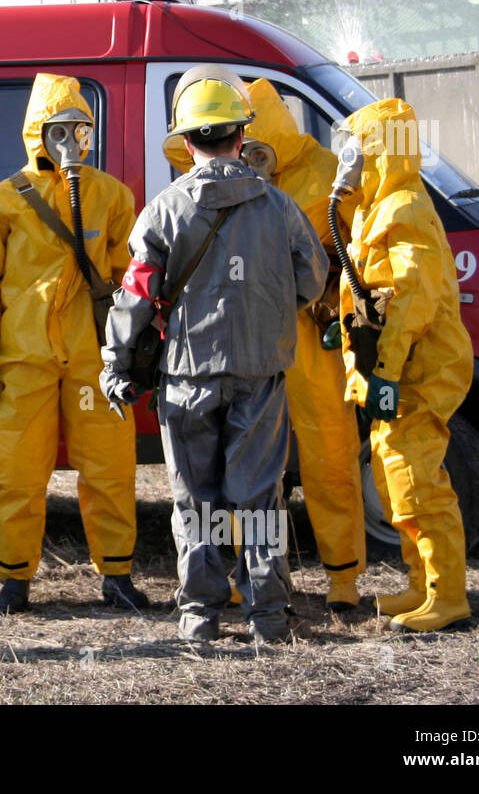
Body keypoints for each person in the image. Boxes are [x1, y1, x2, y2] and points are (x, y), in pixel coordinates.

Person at [101, 66, 327, 643]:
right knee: (258, 499)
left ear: (186, 139)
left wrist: (116, 362)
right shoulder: (279, 207)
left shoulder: (162, 210)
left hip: (186, 377)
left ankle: (200, 616)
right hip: (261, 373)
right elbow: (313, 279)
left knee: (194, 501)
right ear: (240, 135)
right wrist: (267, 309)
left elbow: (135, 294)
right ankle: (268, 617)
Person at [164, 76, 367, 611]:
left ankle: (341, 577)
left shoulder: (323, 175)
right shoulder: (256, 192)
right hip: (262, 345)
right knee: (247, 475)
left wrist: (330, 300)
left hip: (308, 338)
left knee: (329, 456)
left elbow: (359, 250)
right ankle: (253, 585)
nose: (253, 158)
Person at [0, 72, 148, 613]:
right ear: (36, 133)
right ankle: (15, 580)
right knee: (17, 473)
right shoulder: (3, 200)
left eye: (78, 129)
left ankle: (117, 576)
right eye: (58, 129)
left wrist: (131, 351)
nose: (69, 140)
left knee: (110, 470)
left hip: (95, 357)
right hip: (24, 359)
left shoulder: (112, 196)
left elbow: (128, 276)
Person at [331, 98, 473, 633]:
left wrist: (384, 371)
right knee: (395, 479)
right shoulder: (378, 206)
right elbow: (374, 286)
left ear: (380, 152)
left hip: (420, 369)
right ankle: (421, 585)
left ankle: (447, 595)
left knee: (418, 479)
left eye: (359, 148)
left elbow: (412, 299)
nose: (349, 157)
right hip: (399, 366)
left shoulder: (406, 207)